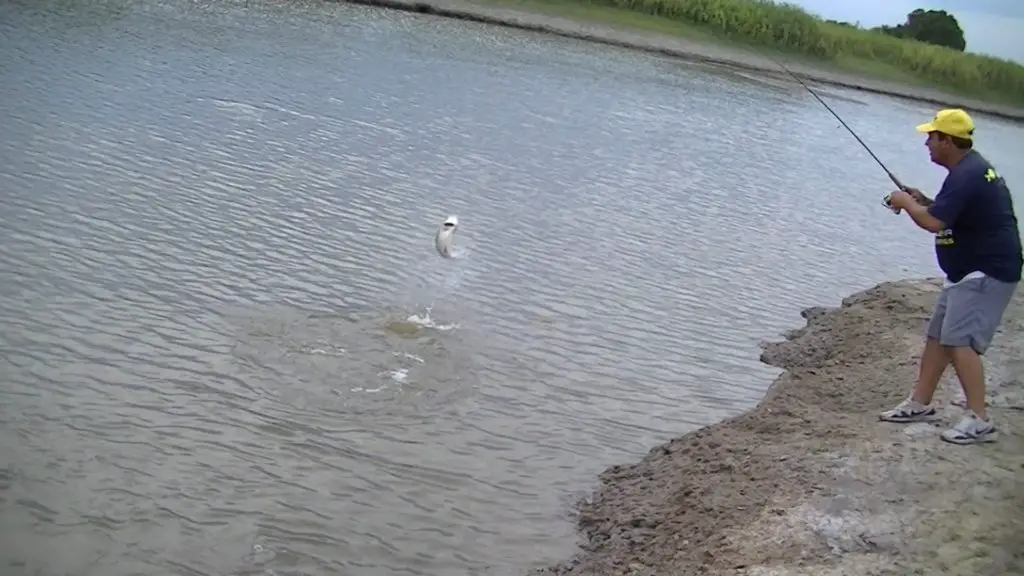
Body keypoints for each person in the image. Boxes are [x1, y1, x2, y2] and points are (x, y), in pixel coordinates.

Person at [881, 108, 1022, 445]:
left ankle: (979, 419)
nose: (927, 143)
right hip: (966, 270)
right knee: (938, 337)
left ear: (947, 141)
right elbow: (947, 212)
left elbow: (934, 223)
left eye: (932, 137)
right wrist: (923, 201)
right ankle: (920, 402)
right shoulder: (967, 171)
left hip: (985, 271)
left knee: (960, 342)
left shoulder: (967, 175)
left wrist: (904, 202)